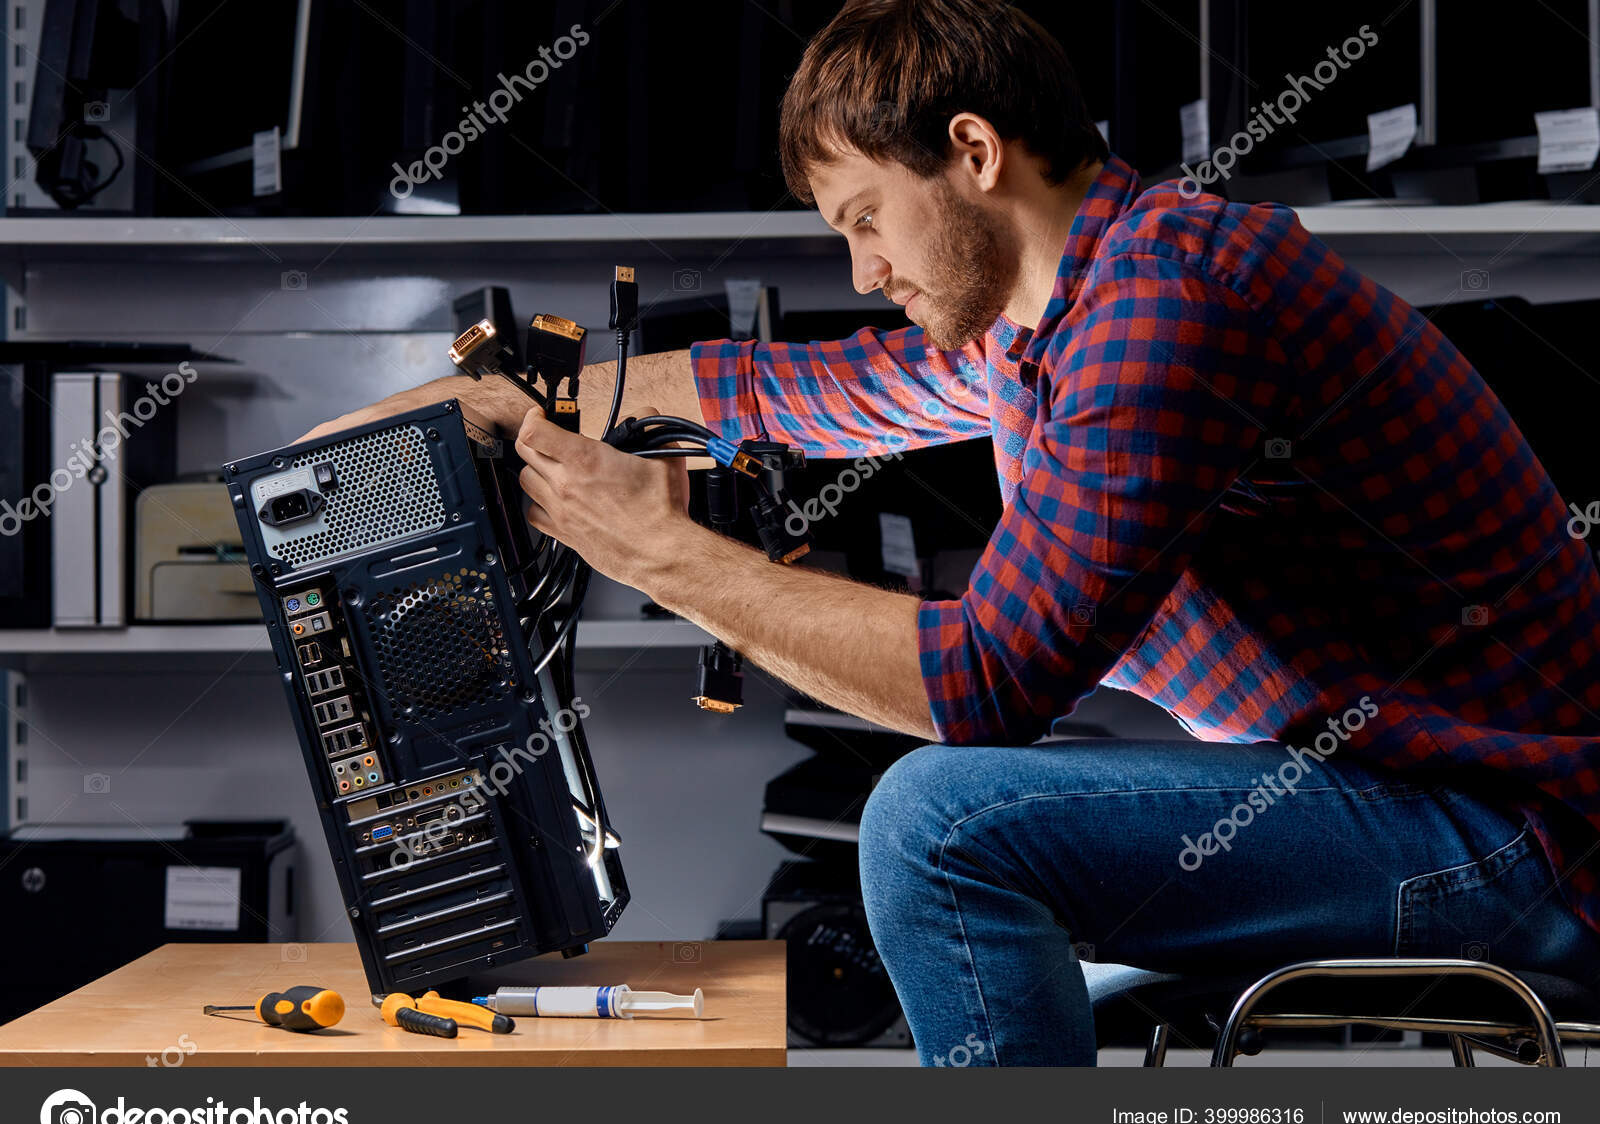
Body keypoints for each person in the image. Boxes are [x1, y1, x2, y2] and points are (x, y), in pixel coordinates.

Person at [299, 0, 1600, 1065]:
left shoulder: (1163, 311)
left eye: (866, 216)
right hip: (1411, 805)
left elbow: (987, 687)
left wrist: (660, 554)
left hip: (1510, 842)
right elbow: (771, 395)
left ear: (972, 152)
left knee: (942, 823)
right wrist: (480, 406)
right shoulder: (1042, 327)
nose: (862, 268)